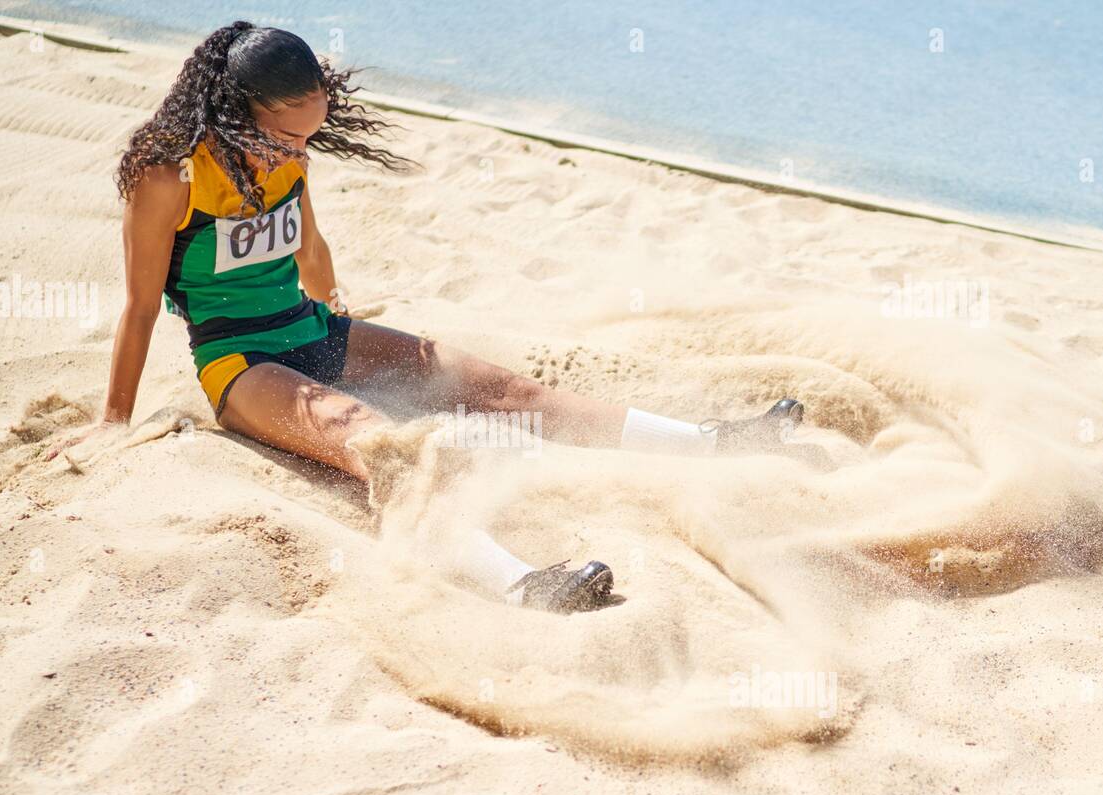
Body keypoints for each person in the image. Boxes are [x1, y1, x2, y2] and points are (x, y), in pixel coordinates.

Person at [48, 22, 803, 614]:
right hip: (241, 364)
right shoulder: (168, 177)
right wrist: (113, 418)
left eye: (309, 136)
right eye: (283, 137)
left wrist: (345, 324)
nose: (295, 152)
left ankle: (711, 441)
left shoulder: (291, 156)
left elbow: (311, 247)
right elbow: (141, 305)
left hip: (314, 329)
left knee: (504, 388)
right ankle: (520, 584)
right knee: (375, 441)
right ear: (232, 113)